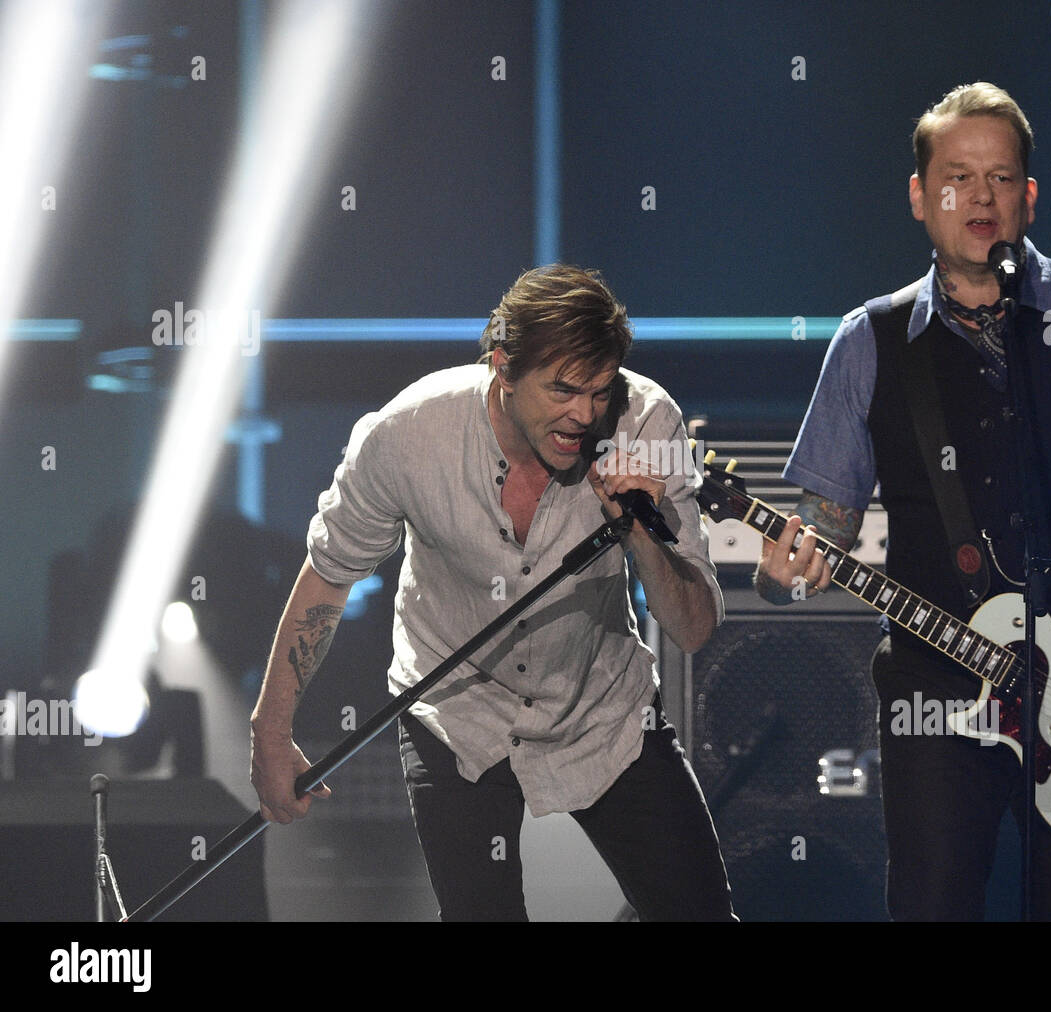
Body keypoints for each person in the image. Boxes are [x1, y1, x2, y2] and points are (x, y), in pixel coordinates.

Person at [755, 82, 1051, 921]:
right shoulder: (868, 341)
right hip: (936, 694)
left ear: (1029, 197)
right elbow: (826, 532)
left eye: (1000, 177)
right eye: (957, 176)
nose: (980, 196)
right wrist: (786, 572)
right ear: (921, 197)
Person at [250, 264, 735, 921]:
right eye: (563, 389)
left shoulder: (647, 422)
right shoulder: (406, 437)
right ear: (503, 366)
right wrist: (271, 731)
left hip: (604, 714)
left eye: (598, 390)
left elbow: (695, 629)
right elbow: (330, 577)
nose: (584, 414)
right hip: (457, 718)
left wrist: (642, 535)